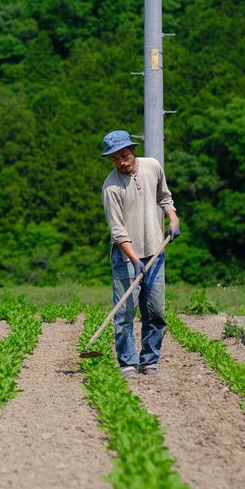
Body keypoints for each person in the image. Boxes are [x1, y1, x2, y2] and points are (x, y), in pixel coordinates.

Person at [100, 130, 180, 377]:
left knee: (155, 311)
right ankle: (128, 364)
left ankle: (149, 360)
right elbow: (117, 230)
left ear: (133, 150)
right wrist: (134, 260)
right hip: (126, 258)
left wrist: (173, 217)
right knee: (125, 314)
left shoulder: (153, 167)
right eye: (114, 159)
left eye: (123, 155)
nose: (120, 162)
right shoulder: (111, 187)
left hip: (156, 251)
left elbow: (164, 197)